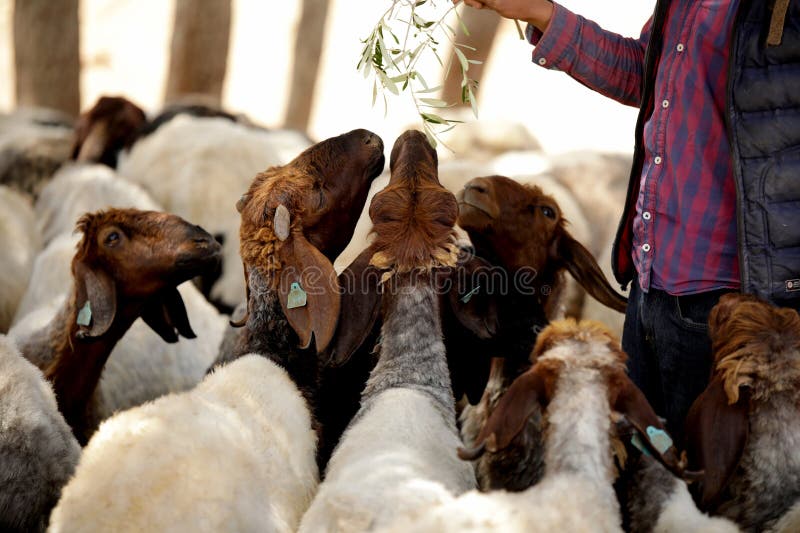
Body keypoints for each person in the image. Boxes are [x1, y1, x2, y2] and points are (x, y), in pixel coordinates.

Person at [454, 0, 800, 438]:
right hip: (650, 285)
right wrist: (539, 12)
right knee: (642, 477)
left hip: (729, 301)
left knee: (704, 492)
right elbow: (647, 73)